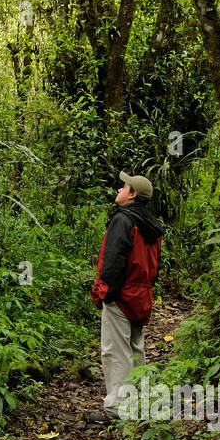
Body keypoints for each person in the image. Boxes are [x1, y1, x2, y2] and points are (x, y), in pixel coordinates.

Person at [89, 171, 165, 423]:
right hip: (142, 294)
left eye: (123, 187)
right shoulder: (152, 223)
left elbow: (113, 259)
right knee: (134, 350)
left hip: (122, 294)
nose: (118, 190)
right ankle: (140, 404)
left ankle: (119, 410)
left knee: (115, 351)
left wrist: (104, 291)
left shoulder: (123, 220)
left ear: (132, 194)